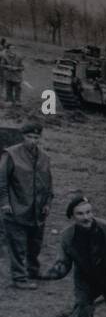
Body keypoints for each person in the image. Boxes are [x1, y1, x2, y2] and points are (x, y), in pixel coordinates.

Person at [0, 120, 52, 289]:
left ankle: (33, 270)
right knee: (18, 245)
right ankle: (19, 278)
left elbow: (48, 182)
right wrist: (5, 203)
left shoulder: (44, 157)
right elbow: (2, 182)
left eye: (36, 137)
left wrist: (47, 202)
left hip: (37, 210)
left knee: (35, 243)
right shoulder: (10, 154)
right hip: (16, 207)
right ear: (23, 137)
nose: (33, 140)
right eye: (29, 136)